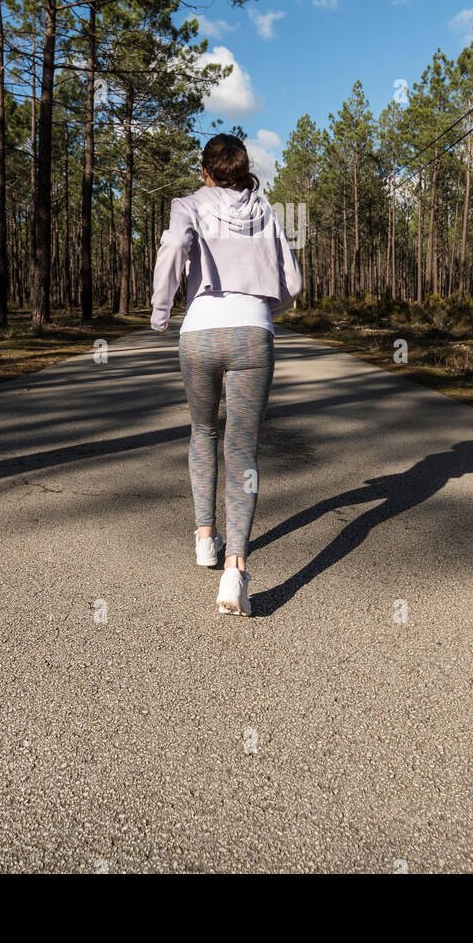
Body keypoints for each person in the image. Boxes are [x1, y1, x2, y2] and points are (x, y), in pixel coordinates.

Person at [150, 134, 302, 616]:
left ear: (205, 171)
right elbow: (293, 280)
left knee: (202, 430)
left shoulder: (188, 204)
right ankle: (235, 571)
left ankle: (203, 538)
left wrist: (161, 309)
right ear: (242, 170)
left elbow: (174, 244)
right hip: (252, 333)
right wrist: (267, 309)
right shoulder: (266, 210)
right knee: (242, 448)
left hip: (199, 331)